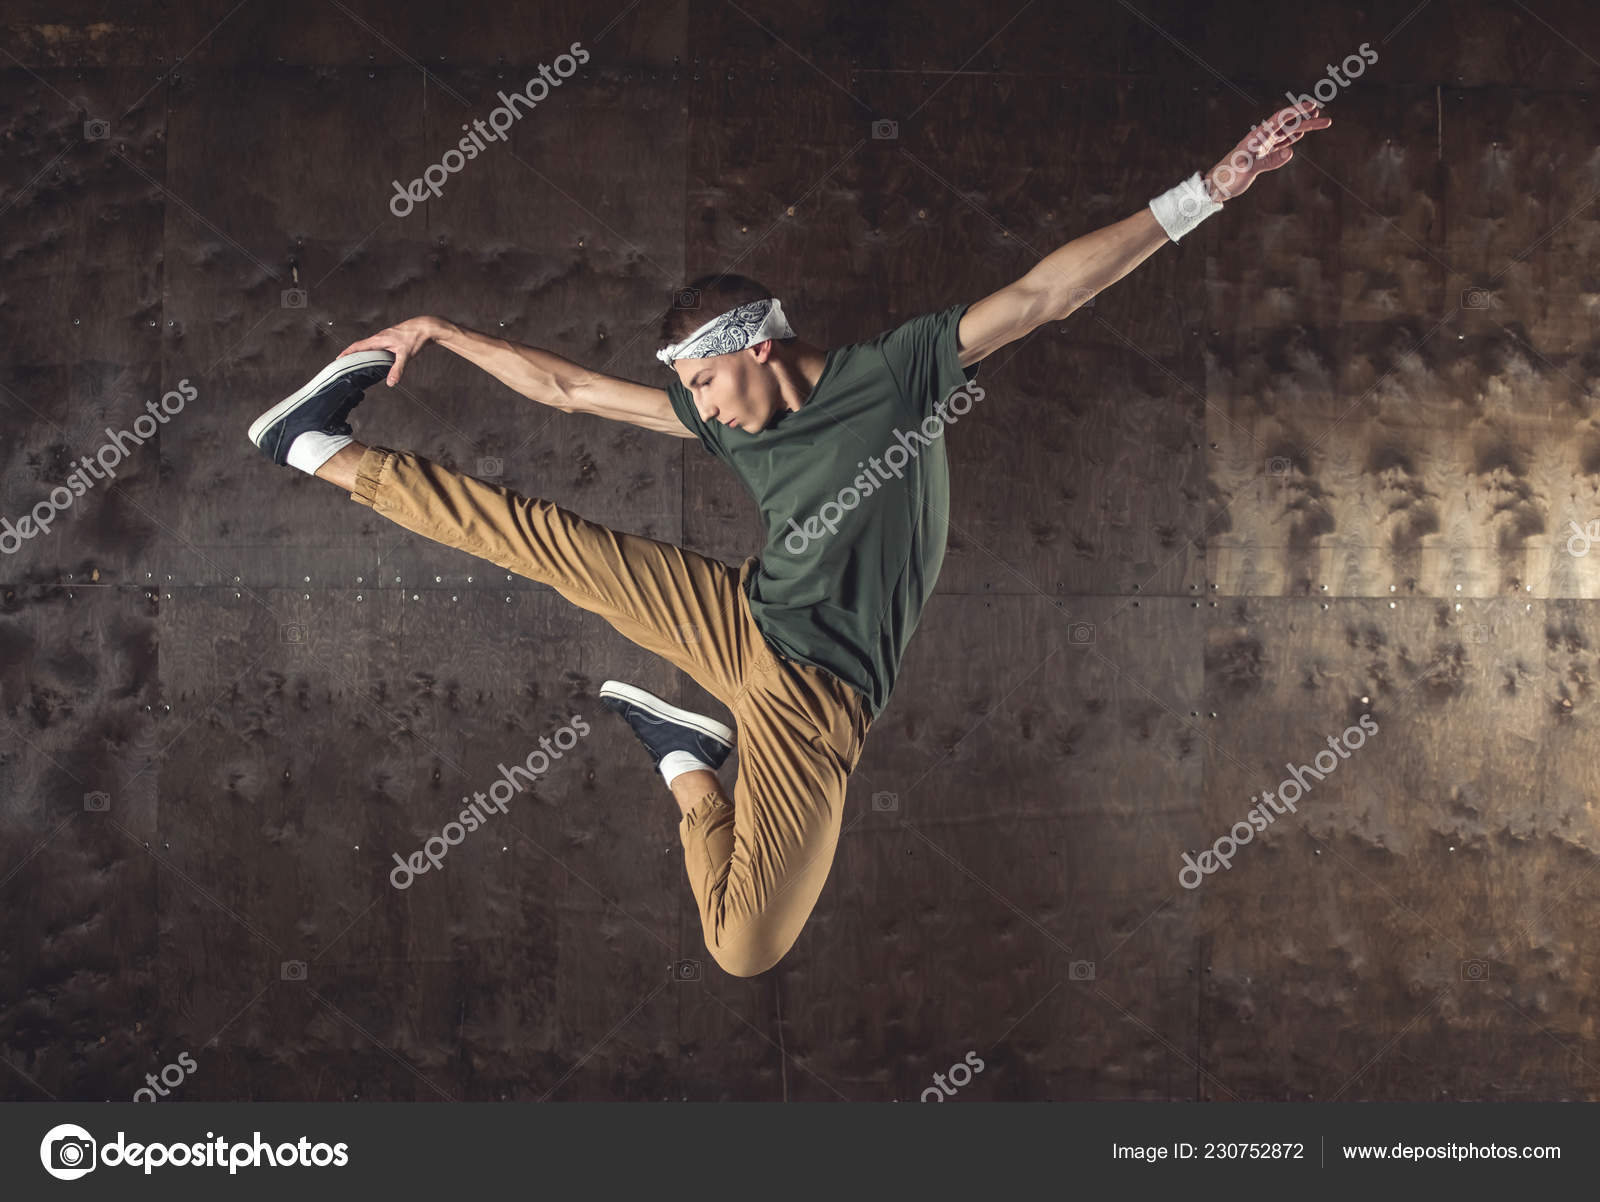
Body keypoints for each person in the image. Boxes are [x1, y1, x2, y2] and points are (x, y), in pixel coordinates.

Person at [248, 101, 1329, 977]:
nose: (704, 411)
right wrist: (436, 328)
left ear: (759, 343)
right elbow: (572, 392)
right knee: (544, 541)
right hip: (743, 620)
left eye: (711, 383)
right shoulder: (723, 423)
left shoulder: (894, 377)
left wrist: (1212, 188)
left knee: (739, 946)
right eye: (694, 392)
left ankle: (690, 770)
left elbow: (1047, 293)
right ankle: (315, 444)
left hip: (811, 694)